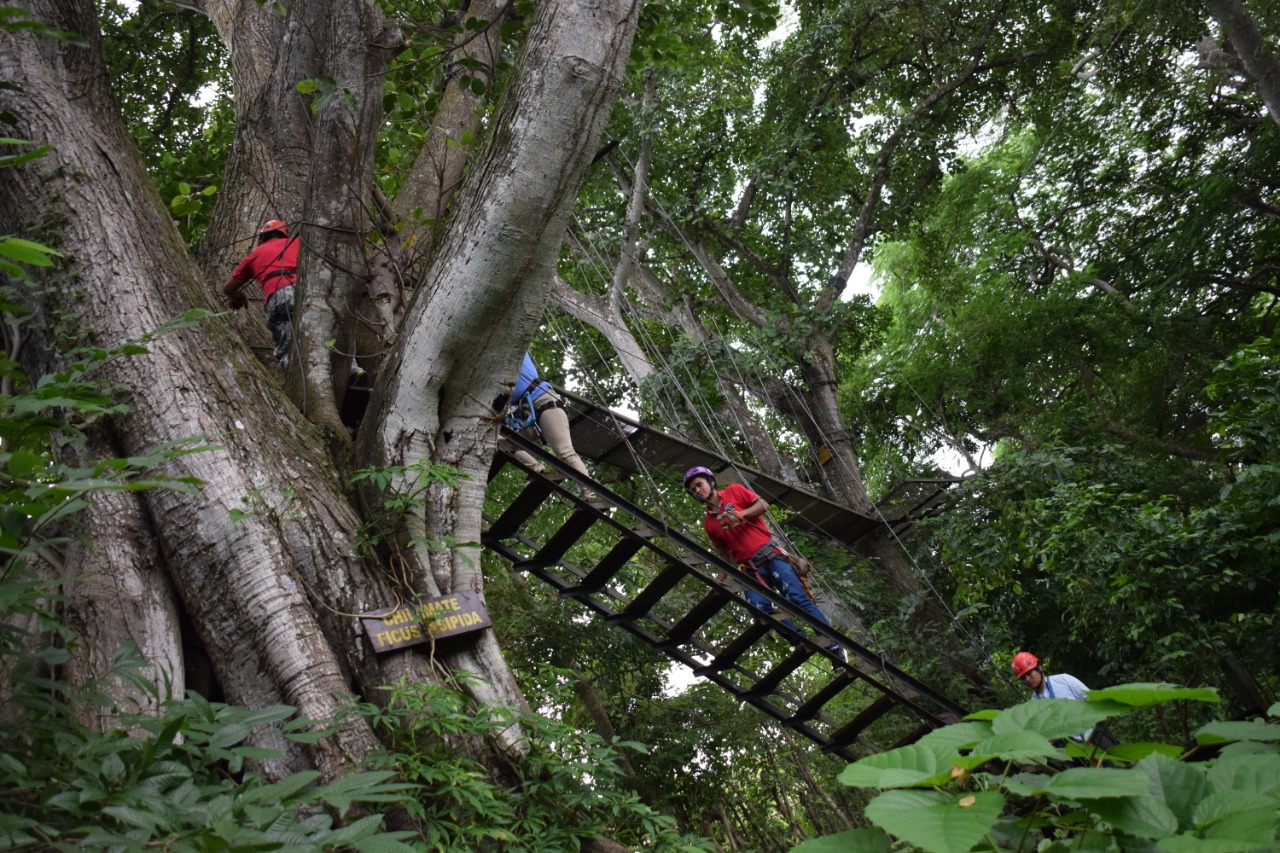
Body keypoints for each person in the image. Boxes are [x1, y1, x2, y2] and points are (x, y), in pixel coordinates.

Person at [683, 466, 842, 658]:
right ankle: (799, 641)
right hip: (749, 568)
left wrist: (741, 514)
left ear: (711, 482)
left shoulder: (734, 490)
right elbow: (725, 556)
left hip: (771, 556)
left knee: (796, 598)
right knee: (760, 610)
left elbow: (763, 504)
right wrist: (718, 580)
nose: (698, 490)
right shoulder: (709, 524)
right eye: (693, 490)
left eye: (699, 485)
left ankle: (832, 645)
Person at [505, 352, 601, 504]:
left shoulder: (515, 346)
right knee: (501, 439)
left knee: (565, 452)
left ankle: (591, 496)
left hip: (544, 400)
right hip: (523, 413)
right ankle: (538, 470)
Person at [223, 219, 299, 371]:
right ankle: (352, 368)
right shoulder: (298, 242)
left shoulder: (255, 254)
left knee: (286, 350)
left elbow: (228, 289)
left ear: (261, 238)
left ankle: (293, 379)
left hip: (281, 296)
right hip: (307, 292)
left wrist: (238, 296)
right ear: (284, 234)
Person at [1012, 651, 1117, 751]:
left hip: (1093, 731)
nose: (1027, 679)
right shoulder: (1033, 704)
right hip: (1072, 746)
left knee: (1116, 764)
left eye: (1029, 673)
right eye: (1023, 678)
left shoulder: (1063, 680)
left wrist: (1106, 710)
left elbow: (1089, 697)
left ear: (1039, 668)